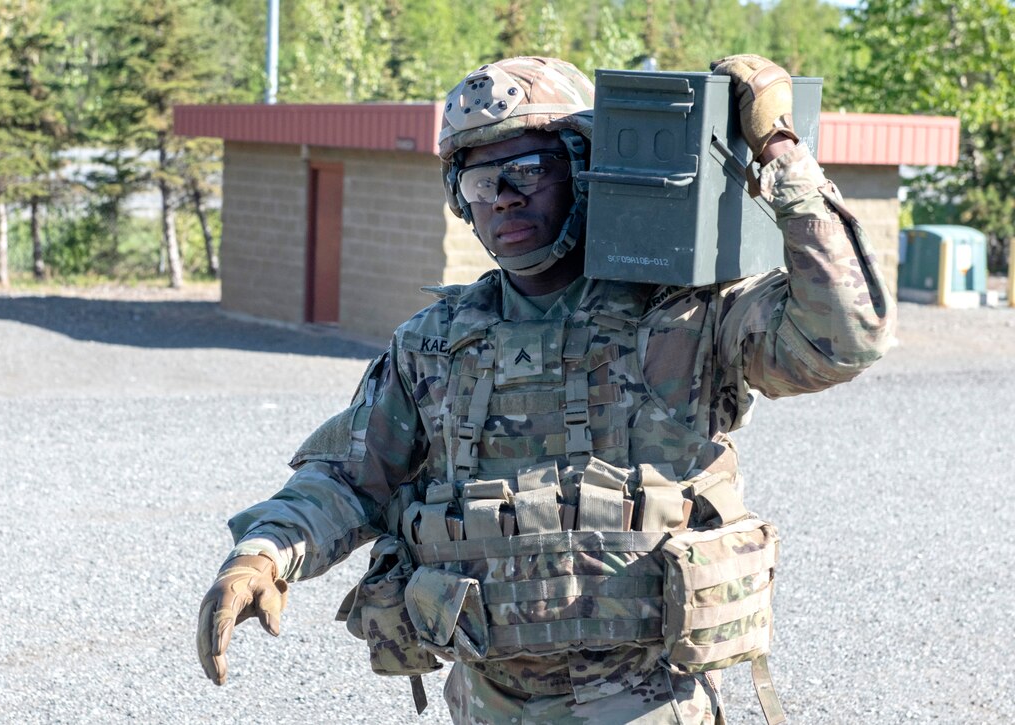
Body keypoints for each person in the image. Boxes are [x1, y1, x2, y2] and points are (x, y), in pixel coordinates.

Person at [197, 55, 893, 724]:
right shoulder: (434, 342)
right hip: (489, 703)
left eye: (527, 170)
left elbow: (847, 333)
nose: (502, 197)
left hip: (649, 704)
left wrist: (778, 150)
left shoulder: (682, 316)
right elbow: (349, 478)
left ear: (583, 169)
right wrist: (261, 552)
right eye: (478, 183)